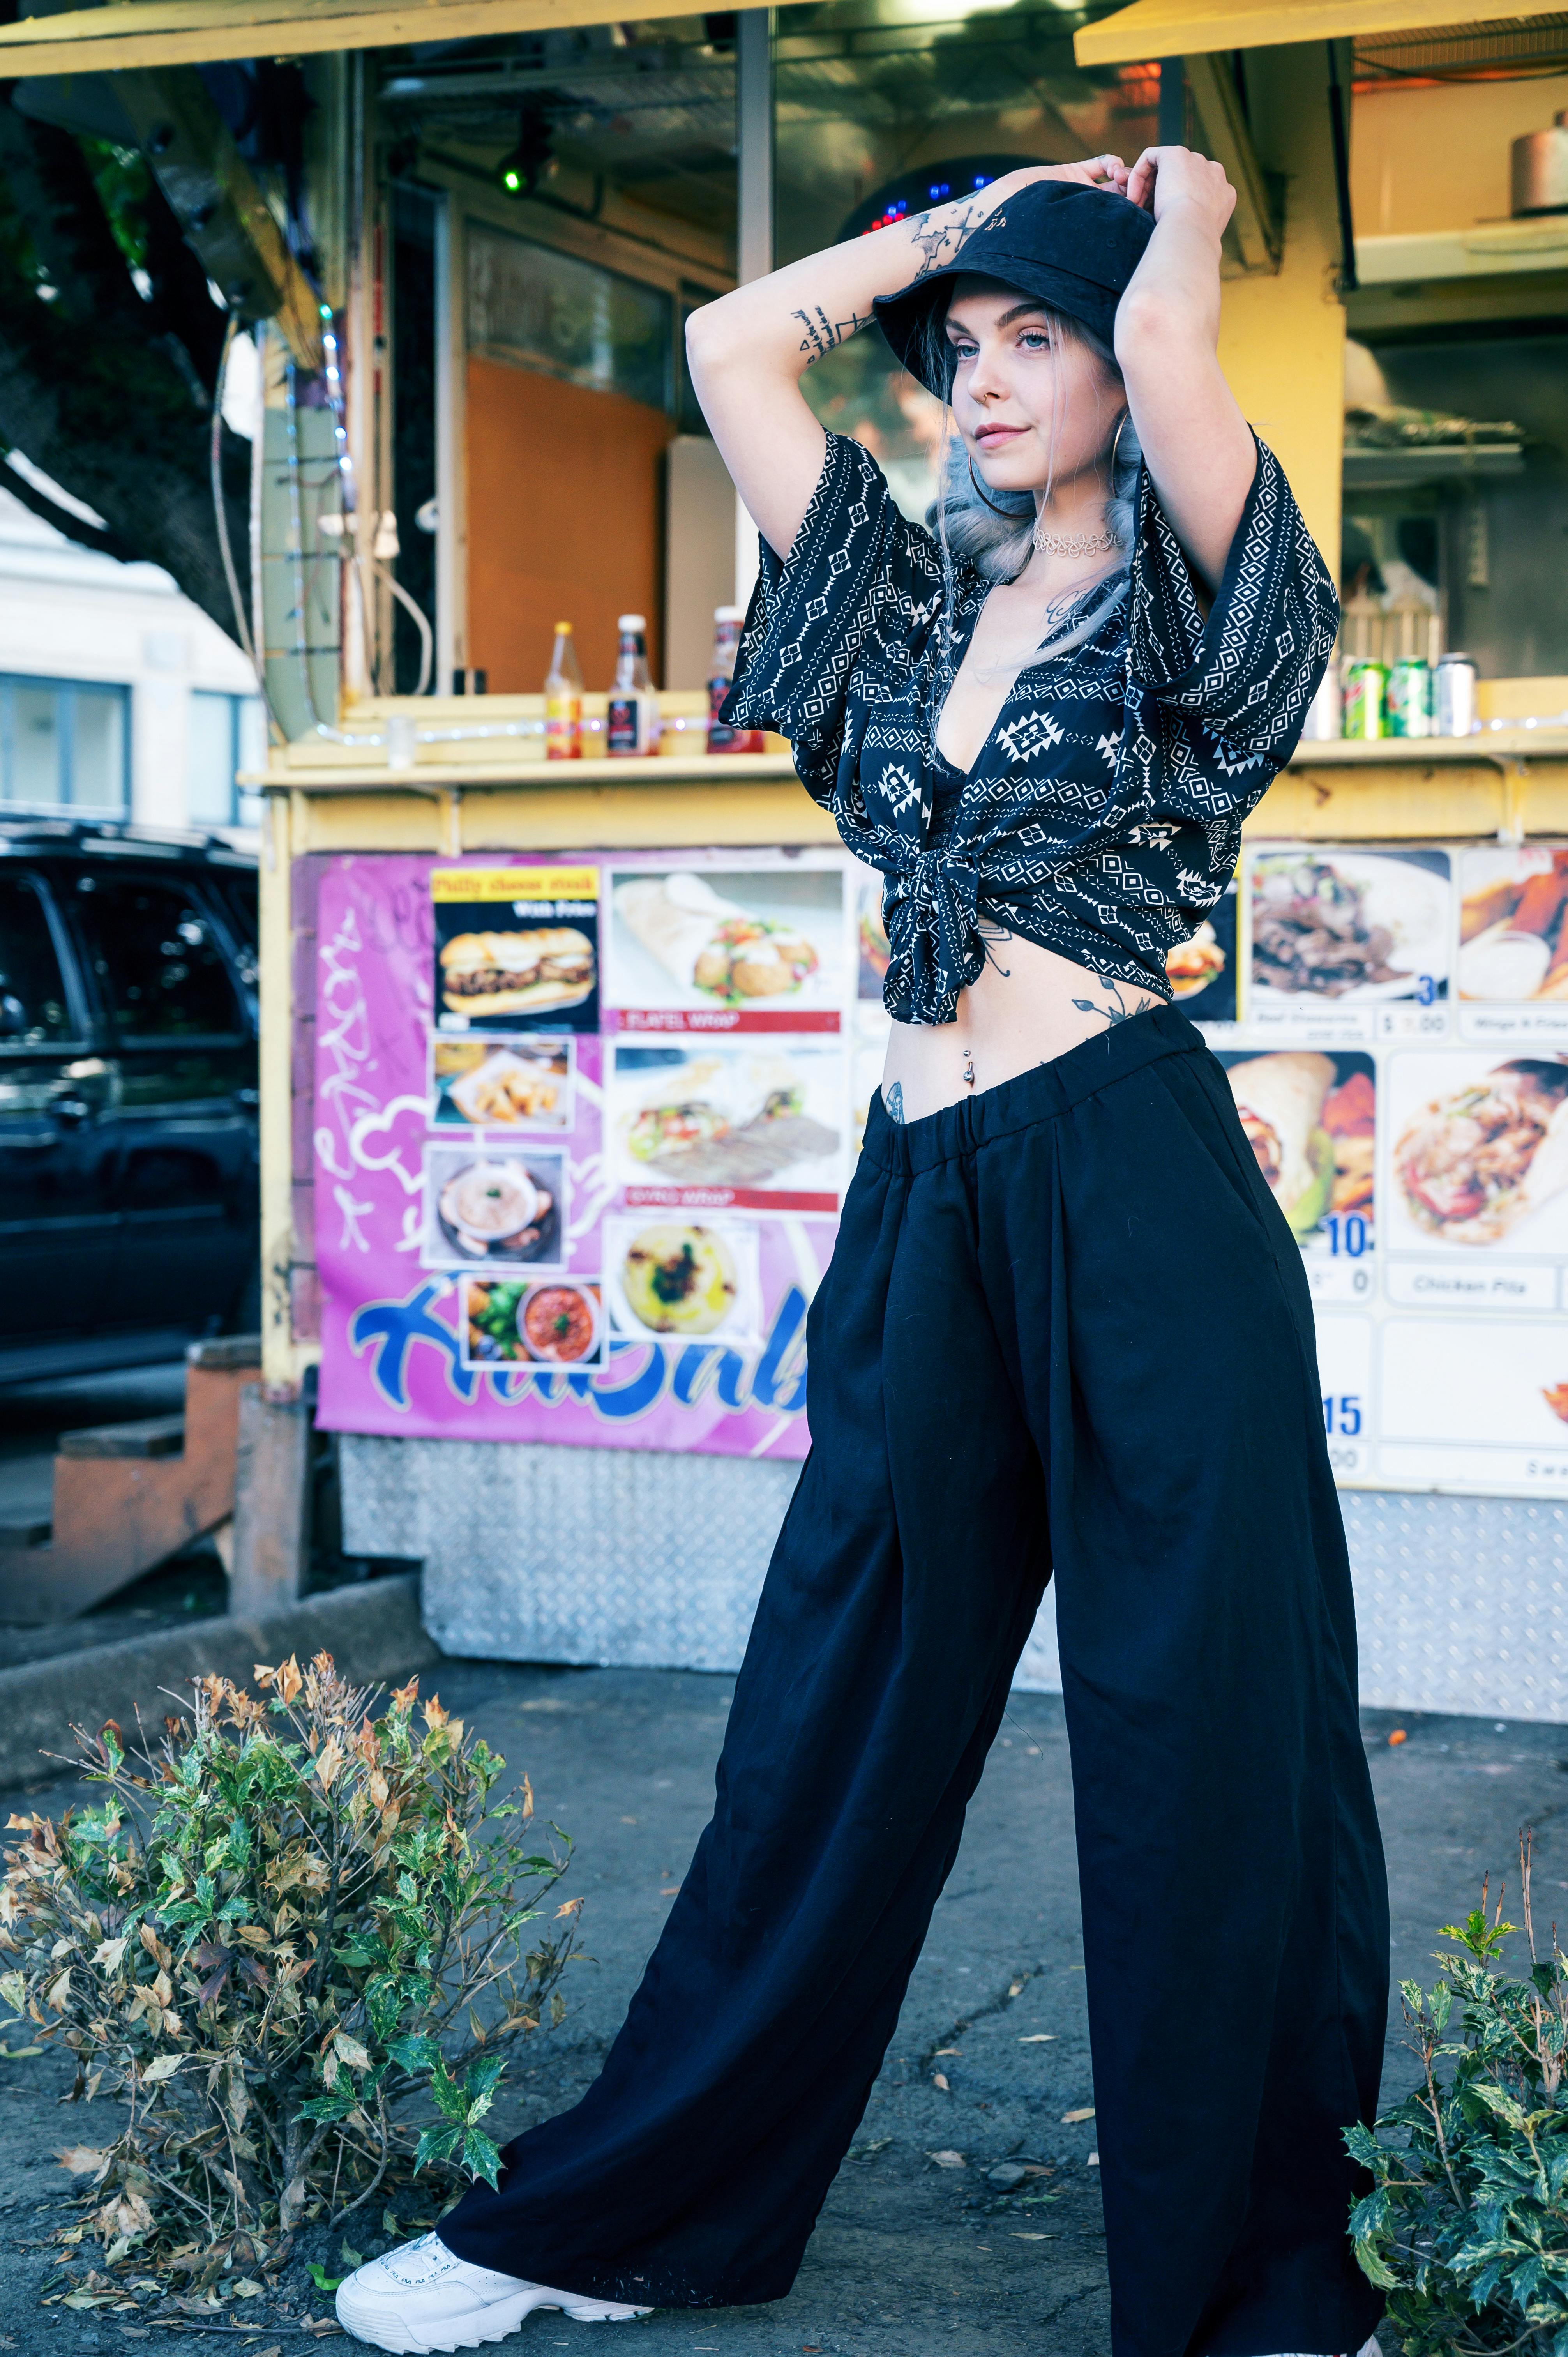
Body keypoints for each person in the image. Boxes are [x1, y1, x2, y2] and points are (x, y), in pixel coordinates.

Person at [336, 149, 1389, 2357]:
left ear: (1122, 359)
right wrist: (953, 228)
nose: (983, 382)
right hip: (922, 1190)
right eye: (962, 351)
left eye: (1039, 337)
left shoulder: (1214, 596)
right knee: (822, 1723)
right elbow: (734, 344)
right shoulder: (909, 606)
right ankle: (627, 2223)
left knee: (1204, 1740)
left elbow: (1183, 333)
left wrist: (1168, 202)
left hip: (1131, 1184)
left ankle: (1259, 2291)